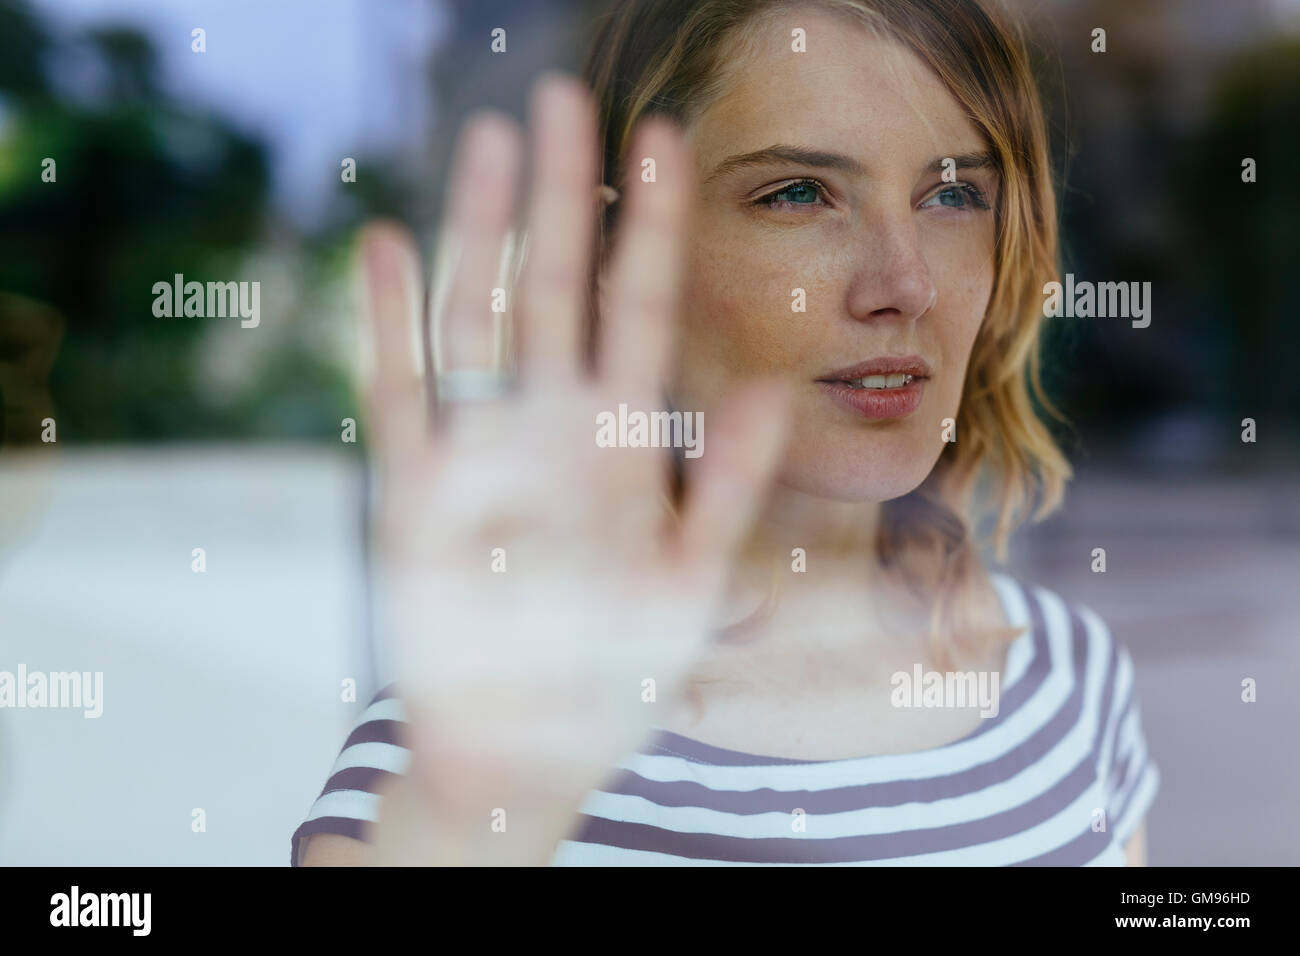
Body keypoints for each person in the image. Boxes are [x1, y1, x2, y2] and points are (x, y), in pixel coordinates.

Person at [294, 0, 1158, 866]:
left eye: (953, 194)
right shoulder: (461, 750)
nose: (904, 281)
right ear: (619, 256)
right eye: (797, 193)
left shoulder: (1072, 679)